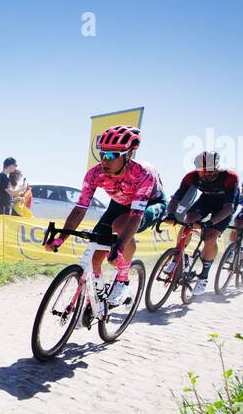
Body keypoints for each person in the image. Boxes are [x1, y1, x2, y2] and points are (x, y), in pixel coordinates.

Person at [44, 125, 166, 309]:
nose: (105, 161)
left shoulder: (142, 173)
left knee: (120, 227)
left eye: (111, 156)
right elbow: (80, 209)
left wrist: (120, 244)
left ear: (128, 155)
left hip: (150, 203)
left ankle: (123, 281)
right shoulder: (95, 174)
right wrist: (61, 238)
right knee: (95, 255)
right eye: (102, 154)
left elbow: (135, 216)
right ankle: (97, 304)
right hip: (119, 204)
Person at [165, 150, 241, 293]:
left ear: (218, 167)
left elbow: (229, 207)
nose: (206, 175)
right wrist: (170, 214)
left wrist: (210, 223)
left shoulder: (230, 177)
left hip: (225, 205)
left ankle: (204, 276)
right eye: (202, 172)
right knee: (188, 220)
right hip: (206, 200)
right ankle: (179, 258)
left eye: (211, 171)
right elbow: (176, 199)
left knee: (210, 237)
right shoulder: (190, 177)